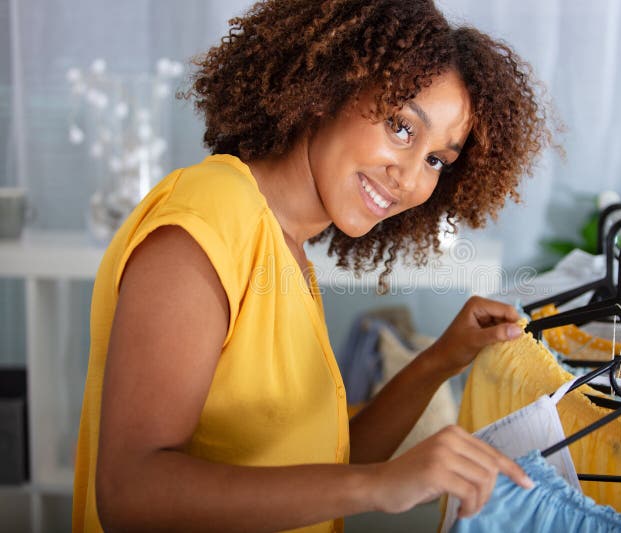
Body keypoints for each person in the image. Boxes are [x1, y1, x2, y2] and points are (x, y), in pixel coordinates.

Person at [72, 0, 553, 531]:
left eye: (438, 159)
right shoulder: (206, 222)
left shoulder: (289, 251)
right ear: (331, 89)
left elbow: (325, 468)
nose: (412, 178)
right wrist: (379, 486)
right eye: (400, 126)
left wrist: (442, 358)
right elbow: (129, 492)